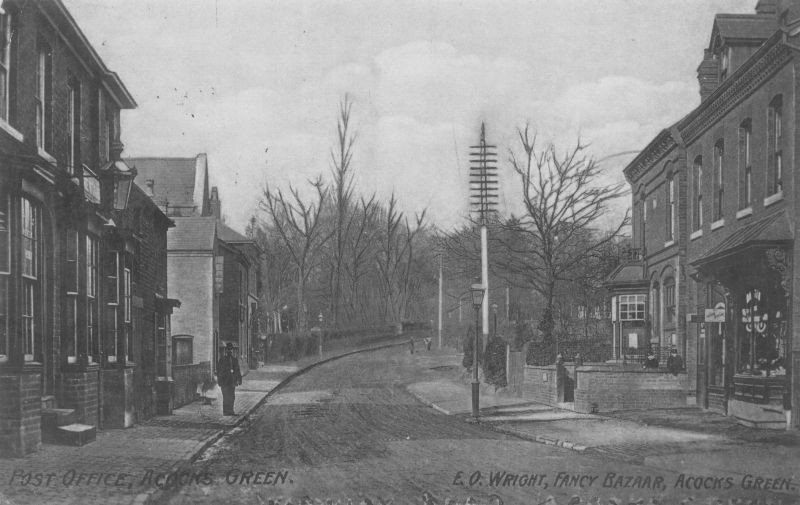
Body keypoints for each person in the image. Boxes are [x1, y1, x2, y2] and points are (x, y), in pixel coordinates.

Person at [216, 342, 242, 416]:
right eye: (228, 349)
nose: (229, 351)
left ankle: (231, 411)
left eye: (231, 350)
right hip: (225, 382)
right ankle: (226, 411)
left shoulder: (234, 360)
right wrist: (220, 380)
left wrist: (239, 379)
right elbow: (219, 371)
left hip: (232, 382)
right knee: (226, 396)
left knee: (232, 396)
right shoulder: (222, 360)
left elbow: (237, 370)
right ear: (226, 350)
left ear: (232, 351)